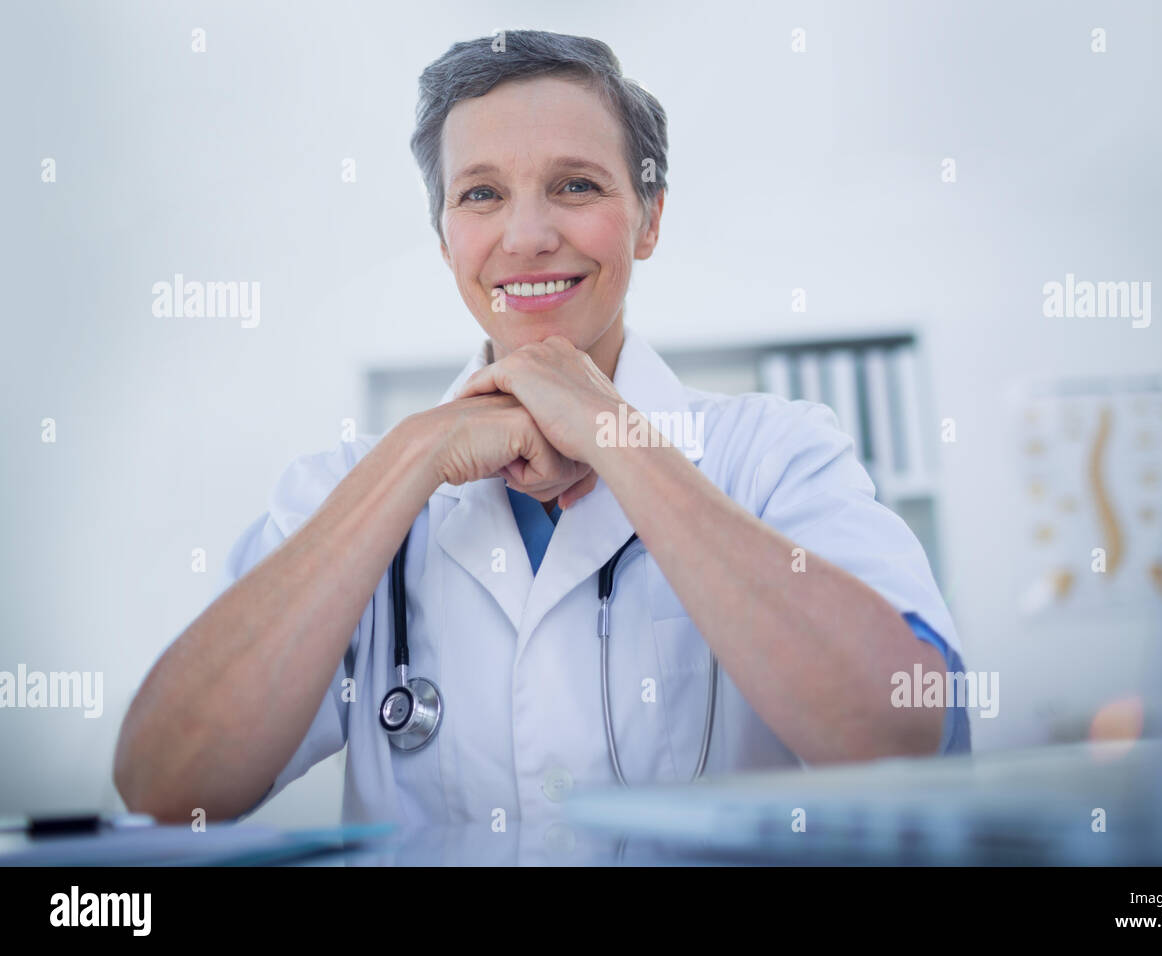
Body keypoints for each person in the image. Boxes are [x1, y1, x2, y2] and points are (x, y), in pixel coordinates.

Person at [113, 30, 970, 828]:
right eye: (481, 193)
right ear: (445, 237)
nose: (526, 236)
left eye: (576, 185)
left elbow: (897, 730)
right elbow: (167, 782)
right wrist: (413, 450)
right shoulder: (344, 489)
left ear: (650, 216)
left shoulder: (778, 454)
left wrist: (614, 434)